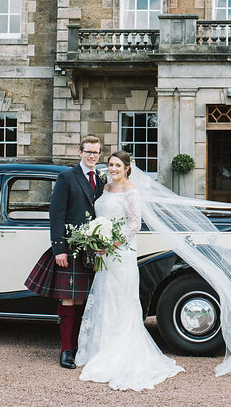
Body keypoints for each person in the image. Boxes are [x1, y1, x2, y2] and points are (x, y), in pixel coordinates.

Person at [75, 151, 184, 391]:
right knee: (105, 298)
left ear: (127, 168)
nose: (113, 169)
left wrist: (110, 243)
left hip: (121, 254)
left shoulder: (131, 191)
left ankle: (119, 352)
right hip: (104, 254)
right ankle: (101, 348)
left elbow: (135, 224)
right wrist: (96, 239)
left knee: (120, 300)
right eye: (110, 164)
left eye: (117, 165)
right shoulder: (105, 188)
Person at [25, 135, 104, 369]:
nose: (92, 156)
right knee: (68, 298)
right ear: (80, 153)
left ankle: (80, 347)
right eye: (88, 151)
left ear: (100, 154)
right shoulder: (67, 177)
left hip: (92, 249)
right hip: (70, 246)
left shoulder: (100, 180)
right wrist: (58, 248)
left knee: (83, 299)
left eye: (96, 152)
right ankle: (66, 350)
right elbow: (56, 213)